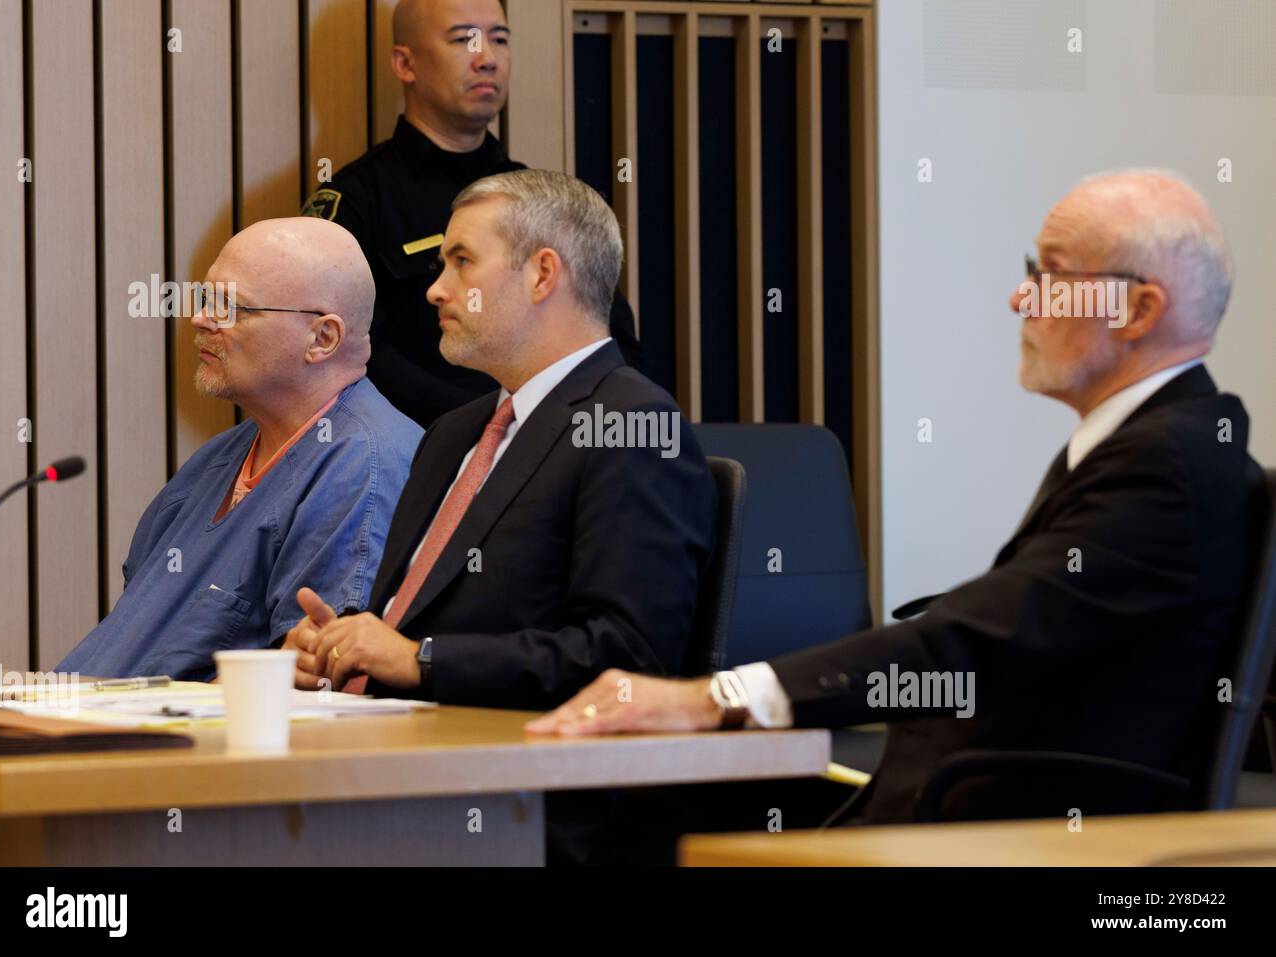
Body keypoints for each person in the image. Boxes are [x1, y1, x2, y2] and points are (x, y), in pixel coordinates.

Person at [529, 169, 1268, 826]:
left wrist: (709, 698)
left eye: (1050, 273)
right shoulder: (1174, 441)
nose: (1020, 296)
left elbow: (977, 642)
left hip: (1013, 830)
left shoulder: (1167, 463)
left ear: (1138, 311)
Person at [284, 169, 714, 710]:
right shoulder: (454, 432)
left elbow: (628, 659)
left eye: (461, 261)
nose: (435, 288)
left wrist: (419, 661)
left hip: (521, 772)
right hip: (392, 735)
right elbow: (425, 621)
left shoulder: (633, 426)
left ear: (542, 275)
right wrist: (339, 646)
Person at [56, 218, 422, 681]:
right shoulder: (217, 459)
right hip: (67, 730)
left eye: (230, 306)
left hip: (165, 749)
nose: (200, 319)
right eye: (206, 299)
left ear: (322, 338)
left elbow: (322, 690)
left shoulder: (364, 467)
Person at [302, 0, 642, 428]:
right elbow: (345, 350)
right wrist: (486, 422)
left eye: (499, 40)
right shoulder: (355, 200)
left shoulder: (544, 201)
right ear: (405, 63)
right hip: (414, 453)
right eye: (465, 40)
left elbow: (612, 336)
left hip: (554, 441)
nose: (487, 59)